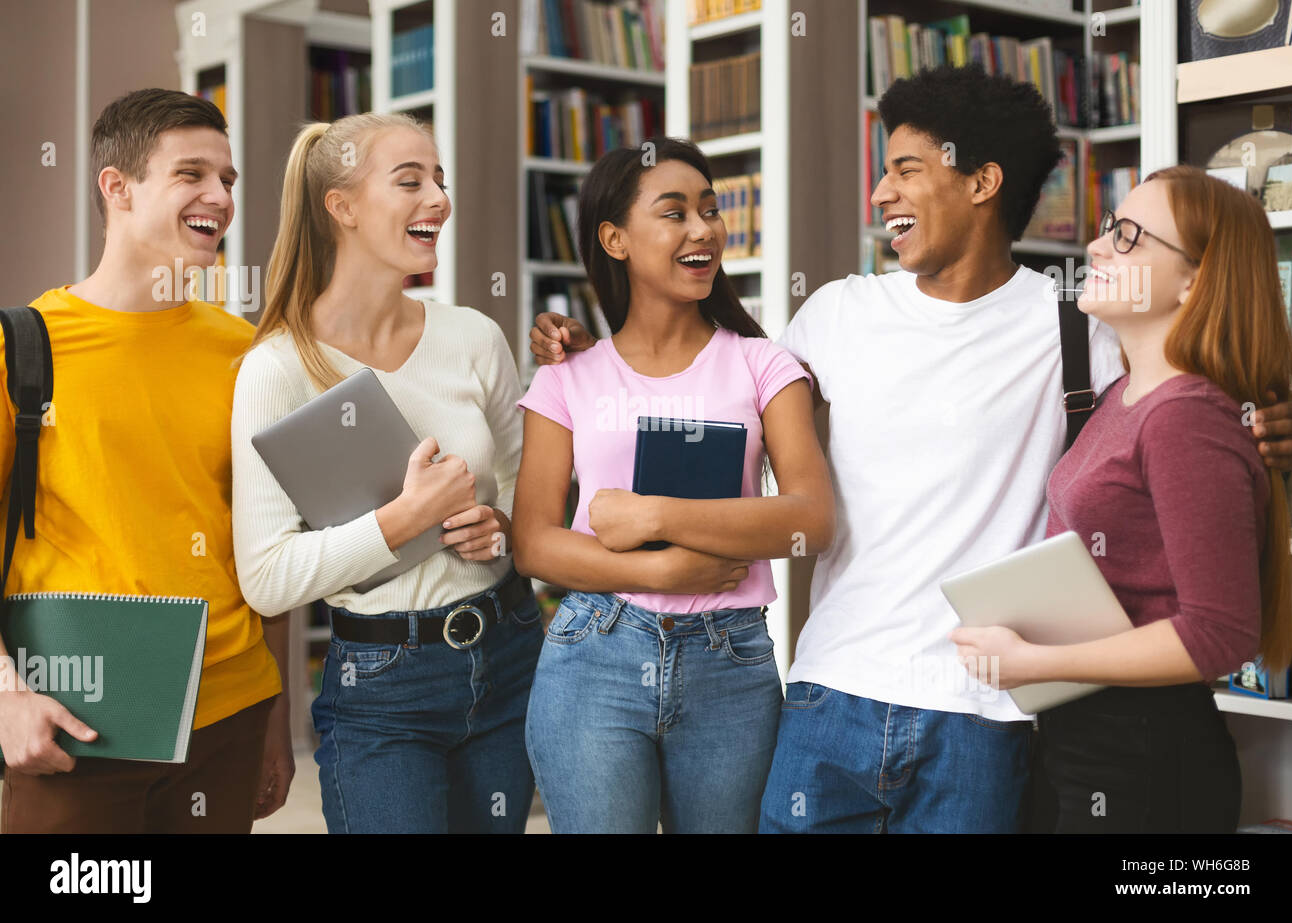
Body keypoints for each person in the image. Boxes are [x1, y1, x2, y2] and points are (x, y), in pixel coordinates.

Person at [526, 66, 1292, 833]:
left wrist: (1278, 418)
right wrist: (599, 357)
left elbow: (1196, 401)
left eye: (905, 169)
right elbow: (716, 383)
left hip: (985, 713)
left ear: (982, 181)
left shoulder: (1082, 330)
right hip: (829, 694)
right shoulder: (837, 314)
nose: (880, 193)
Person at [952, 166, 1292, 833]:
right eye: (1110, 228)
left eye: (1132, 237)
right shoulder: (1122, 396)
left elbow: (1219, 635)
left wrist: (1037, 662)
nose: (1099, 247)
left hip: (1143, 758)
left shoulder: (1185, 416)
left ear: (1197, 278)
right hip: (1085, 743)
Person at [511, 137, 834, 833]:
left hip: (730, 659)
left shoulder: (762, 364)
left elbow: (812, 516)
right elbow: (533, 543)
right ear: (615, 239)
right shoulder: (567, 374)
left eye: (711, 210)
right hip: (594, 649)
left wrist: (654, 513)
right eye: (675, 212)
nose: (703, 229)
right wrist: (661, 565)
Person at [231, 112, 540, 834]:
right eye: (411, 181)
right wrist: (402, 520)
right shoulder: (276, 368)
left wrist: (500, 527)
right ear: (342, 207)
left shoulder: (472, 336)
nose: (438, 198)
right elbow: (267, 576)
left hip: (509, 654)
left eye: (440, 180)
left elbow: (531, 489)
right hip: (382, 687)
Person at [0, 88, 288, 833]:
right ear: (117, 188)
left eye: (228, 179)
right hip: (79, 712)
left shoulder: (246, 352)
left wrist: (276, 722)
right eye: (190, 173)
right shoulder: (22, 348)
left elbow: (271, 544)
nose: (219, 197)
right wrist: (4, 694)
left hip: (230, 712)